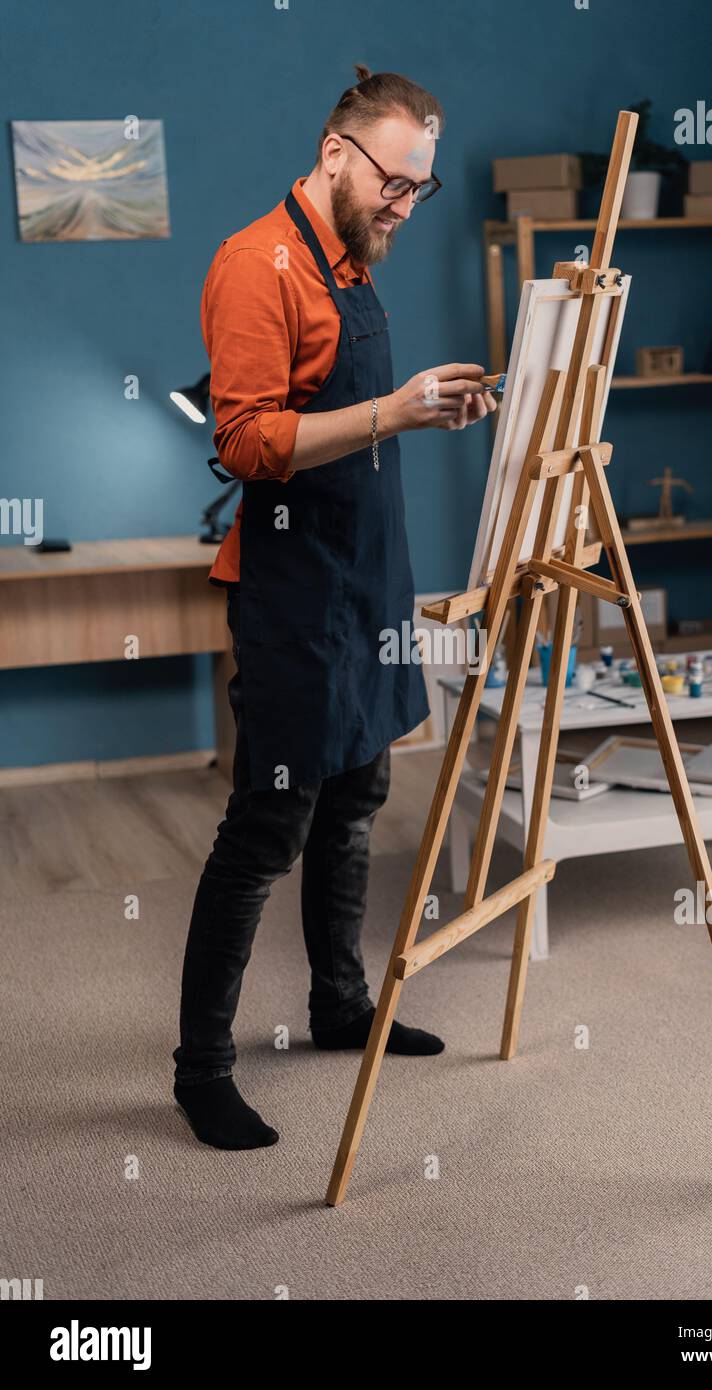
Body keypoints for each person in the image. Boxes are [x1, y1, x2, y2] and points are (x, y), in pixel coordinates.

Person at [173, 65, 496, 1149]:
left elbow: (361, 414)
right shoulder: (252, 265)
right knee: (269, 825)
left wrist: (426, 409)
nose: (404, 206)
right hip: (291, 590)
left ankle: (338, 1005)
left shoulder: (353, 262)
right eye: (394, 185)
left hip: (367, 577)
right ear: (333, 155)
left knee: (358, 794)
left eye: (419, 189)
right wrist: (389, 412)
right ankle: (200, 1070)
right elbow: (246, 441)